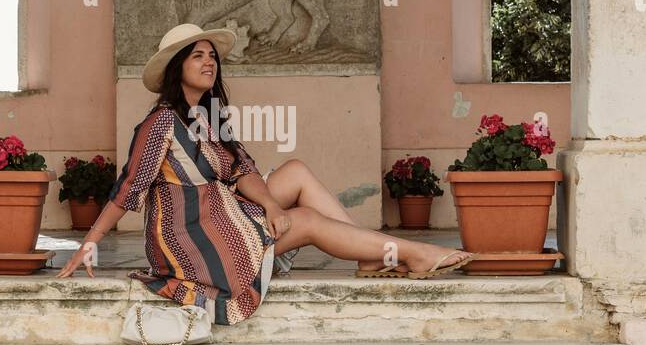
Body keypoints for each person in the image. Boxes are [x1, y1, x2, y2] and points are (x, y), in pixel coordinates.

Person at [55, 23, 474, 324]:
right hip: (189, 238)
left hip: (220, 216)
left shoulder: (211, 120)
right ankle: (411, 252)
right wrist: (89, 243)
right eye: (197, 56)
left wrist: (272, 203)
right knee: (307, 222)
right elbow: (128, 189)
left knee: (294, 172)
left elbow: (242, 171)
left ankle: (369, 258)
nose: (208, 62)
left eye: (212, 56)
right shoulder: (161, 122)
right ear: (176, 68)